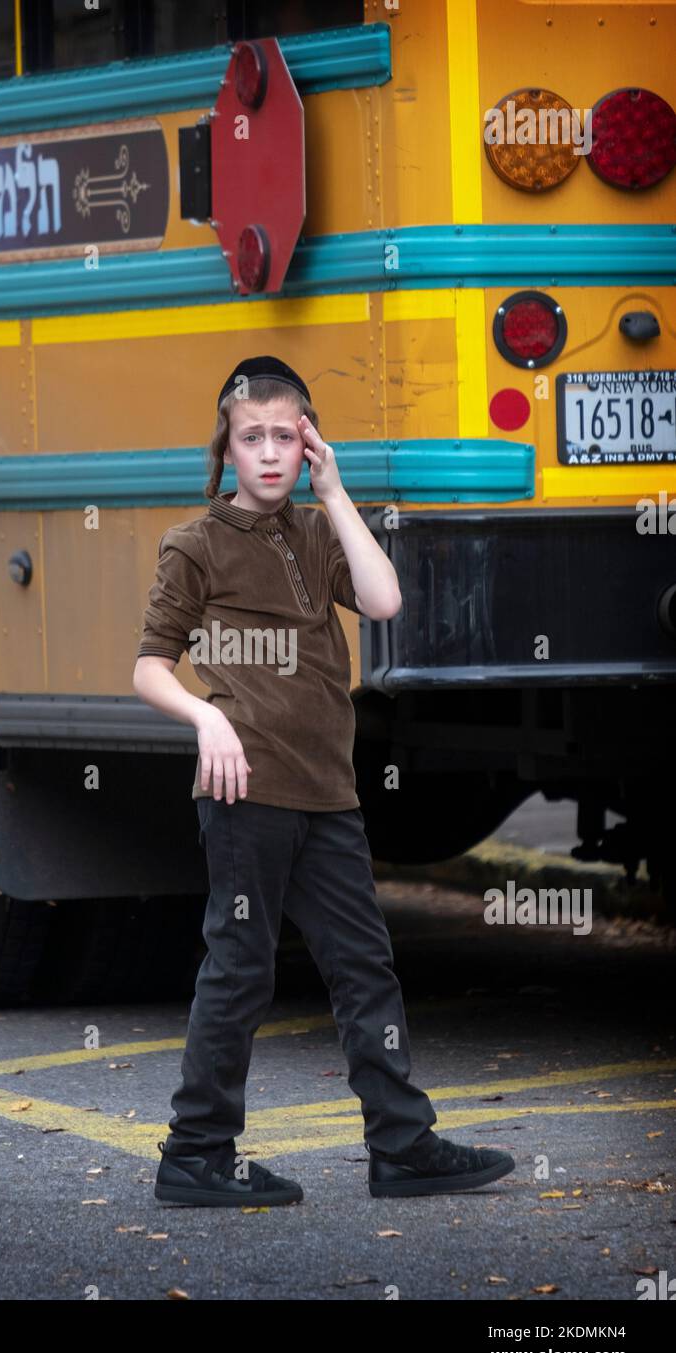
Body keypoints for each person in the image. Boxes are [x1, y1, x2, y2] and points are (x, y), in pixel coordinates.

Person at [132, 356, 515, 1206]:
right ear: (226, 449)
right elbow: (149, 667)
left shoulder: (313, 530)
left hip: (329, 794)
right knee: (241, 970)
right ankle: (195, 1153)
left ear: (307, 444)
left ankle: (401, 1145)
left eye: (286, 437)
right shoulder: (194, 544)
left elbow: (382, 601)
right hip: (244, 794)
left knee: (365, 968)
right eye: (251, 437)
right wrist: (209, 717)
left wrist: (337, 495)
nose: (269, 453)